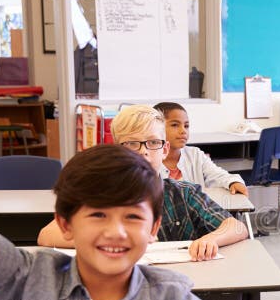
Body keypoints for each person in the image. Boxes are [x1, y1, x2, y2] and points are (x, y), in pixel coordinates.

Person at [0, 20, 268, 300]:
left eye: (132, 218)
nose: (116, 231)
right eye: (98, 216)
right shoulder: (33, 280)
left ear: (153, 227)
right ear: (67, 224)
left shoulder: (167, 296)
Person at [38, 105, 249, 260]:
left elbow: (237, 226)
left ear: (165, 149)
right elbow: (47, 235)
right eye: (132, 143)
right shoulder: (100, 195)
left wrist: (212, 239)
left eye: (153, 142)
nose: (143, 152)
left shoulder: (183, 193)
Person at [153, 101, 249, 196]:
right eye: (175, 125)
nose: (183, 131)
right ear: (155, 127)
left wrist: (233, 182)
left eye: (186, 126)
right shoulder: (148, 160)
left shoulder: (195, 154)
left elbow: (218, 174)